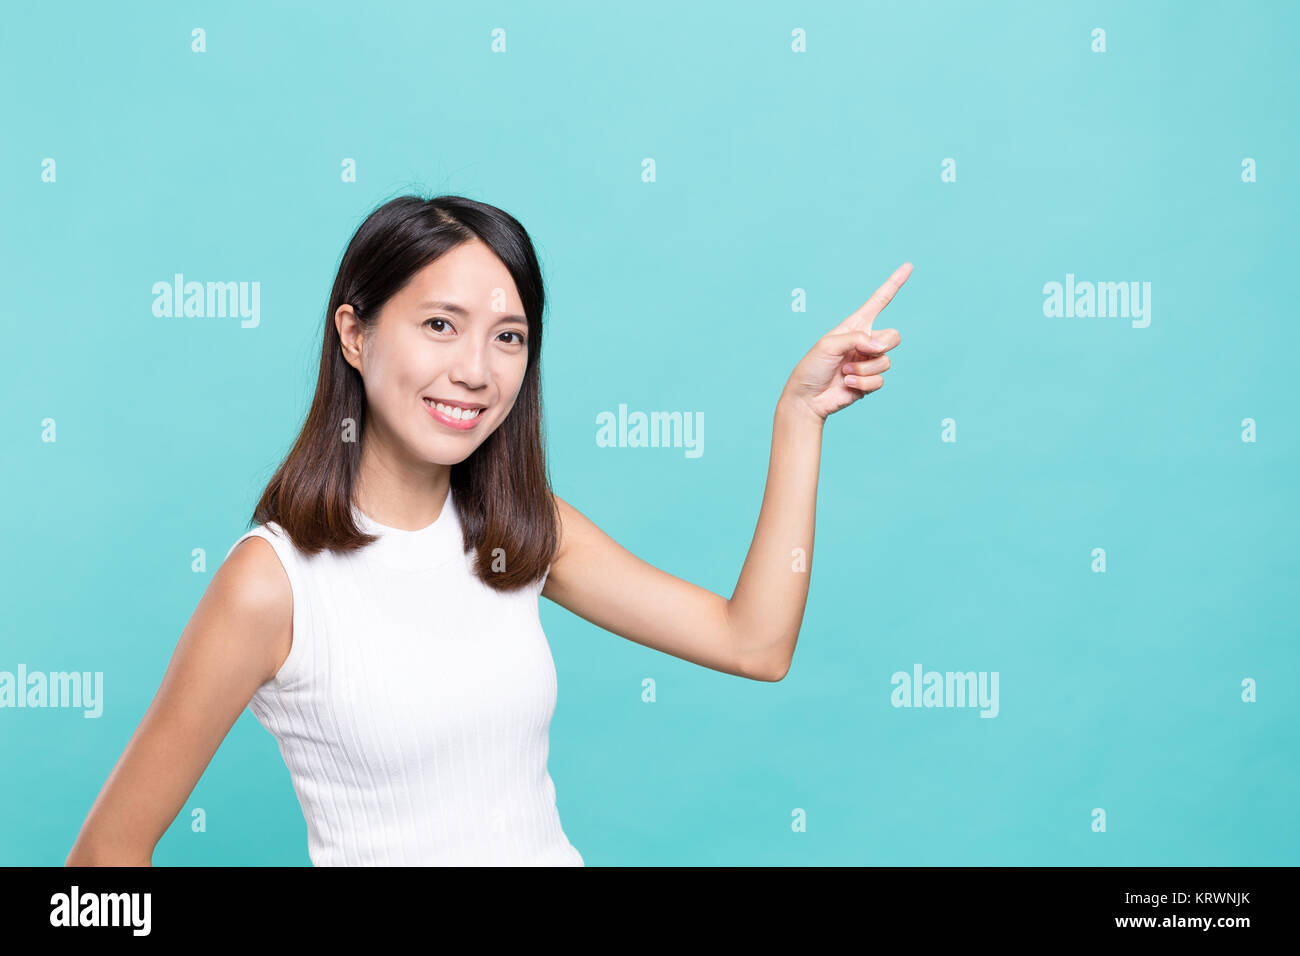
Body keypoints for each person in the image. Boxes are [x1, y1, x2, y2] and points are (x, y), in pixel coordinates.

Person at [65, 194, 908, 866]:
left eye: (509, 338)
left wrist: (800, 418)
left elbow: (753, 644)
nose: (475, 370)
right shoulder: (274, 582)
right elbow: (104, 857)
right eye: (440, 325)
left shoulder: (520, 530)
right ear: (354, 335)